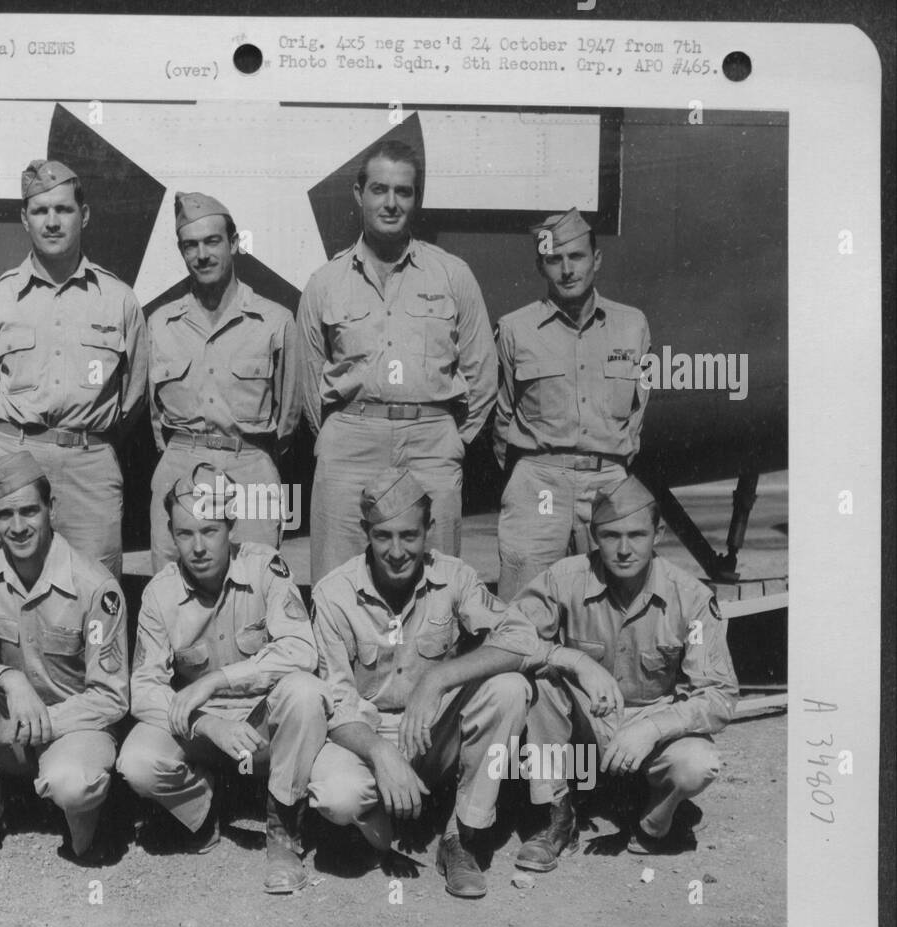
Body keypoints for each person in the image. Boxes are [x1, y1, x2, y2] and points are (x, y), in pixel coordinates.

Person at [479, 476, 739, 868]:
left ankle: (653, 816)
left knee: (698, 763)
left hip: (650, 723)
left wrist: (651, 728)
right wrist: (572, 660)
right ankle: (556, 813)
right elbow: (509, 638)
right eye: (610, 535)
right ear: (593, 536)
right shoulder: (564, 579)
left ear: (659, 533)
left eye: (636, 535)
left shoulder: (691, 597)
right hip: (584, 726)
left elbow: (719, 694)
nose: (622, 550)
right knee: (538, 680)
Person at [307, 468, 530, 898]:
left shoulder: (456, 576)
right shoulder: (333, 595)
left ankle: (461, 834)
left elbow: (521, 638)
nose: (396, 551)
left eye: (409, 536)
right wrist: (380, 752)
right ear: (364, 533)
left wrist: (439, 678)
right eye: (383, 536)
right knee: (337, 796)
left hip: (433, 732)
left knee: (509, 690)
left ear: (429, 531)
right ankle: (378, 829)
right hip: (365, 736)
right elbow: (335, 704)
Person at [119, 464, 328, 893]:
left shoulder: (266, 568)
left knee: (305, 692)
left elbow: (301, 650)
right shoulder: (159, 593)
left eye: (210, 531)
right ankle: (202, 810)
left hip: (259, 727)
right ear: (171, 536)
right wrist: (205, 722)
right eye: (184, 534)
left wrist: (216, 680)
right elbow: (142, 687)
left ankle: (283, 828)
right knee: (136, 760)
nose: (198, 547)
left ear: (230, 526)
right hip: (205, 735)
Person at [298, 140, 497, 584]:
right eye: (380, 190)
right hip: (350, 445)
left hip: (431, 445)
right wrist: (342, 432)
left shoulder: (452, 275)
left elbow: (483, 375)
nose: (391, 203)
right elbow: (309, 383)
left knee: (439, 585)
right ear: (358, 193)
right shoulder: (325, 283)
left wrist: (450, 439)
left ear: (416, 197)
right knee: (337, 583)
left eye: (403, 192)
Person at [0, 451, 128, 862]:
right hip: (8, 720)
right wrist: (6, 679)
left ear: (51, 508)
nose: (17, 527)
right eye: (4, 515)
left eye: (29, 511)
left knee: (71, 785)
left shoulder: (95, 587)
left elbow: (111, 698)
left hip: (72, 727)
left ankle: (83, 816)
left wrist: (19, 729)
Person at [0, 158, 149, 578]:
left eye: (64, 210)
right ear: (24, 219)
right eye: (40, 211)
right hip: (14, 456)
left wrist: (84, 437)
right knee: (7, 589)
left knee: (97, 587)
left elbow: (133, 396)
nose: (52, 222)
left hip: (90, 465)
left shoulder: (118, 300)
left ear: (83, 215)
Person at [493, 207, 652, 601]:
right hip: (538, 484)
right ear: (540, 265)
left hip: (608, 484)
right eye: (554, 260)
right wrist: (530, 476)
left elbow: (637, 412)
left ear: (595, 260)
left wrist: (610, 466)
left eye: (576, 257)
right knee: (523, 615)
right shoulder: (515, 329)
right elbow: (501, 416)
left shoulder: (632, 326)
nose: (566, 269)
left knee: (616, 611)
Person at [147, 192, 302, 570]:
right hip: (179, 466)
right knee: (172, 592)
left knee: (256, 583)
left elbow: (290, 415)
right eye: (190, 245)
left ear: (234, 243)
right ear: (181, 251)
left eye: (212, 241)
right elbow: (154, 415)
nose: (202, 254)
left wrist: (250, 453)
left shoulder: (275, 322)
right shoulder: (161, 325)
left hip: (250, 468)